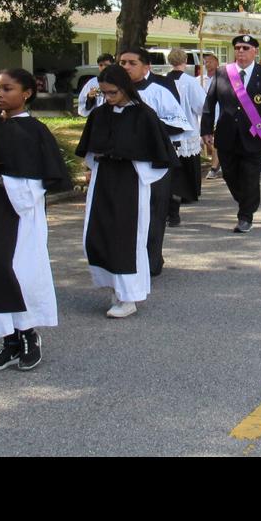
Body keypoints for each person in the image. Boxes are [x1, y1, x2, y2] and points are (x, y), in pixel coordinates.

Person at [0, 69, 70, 371]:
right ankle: (7, 342)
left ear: (27, 93)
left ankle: (28, 336)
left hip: (20, 216)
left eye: (7, 89)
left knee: (19, 271)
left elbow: (36, 185)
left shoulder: (34, 131)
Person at [78, 65, 176, 319]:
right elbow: (90, 149)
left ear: (125, 88)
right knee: (99, 232)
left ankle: (129, 296)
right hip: (103, 178)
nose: (108, 98)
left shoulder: (144, 115)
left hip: (130, 180)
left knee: (126, 236)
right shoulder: (100, 114)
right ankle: (114, 288)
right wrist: (93, 163)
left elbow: (158, 153)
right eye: (105, 93)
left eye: (113, 93)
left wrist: (131, 161)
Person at [201, 34, 261, 233]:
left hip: (255, 135)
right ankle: (249, 201)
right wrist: (206, 129)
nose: (241, 51)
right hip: (226, 135)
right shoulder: (222, 73)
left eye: (245, 48)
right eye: (238, 48)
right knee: (230, 175)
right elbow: (209, 103)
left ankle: (245, 216)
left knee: (250, 176)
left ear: (255, 52)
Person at [118, 48, 189, 269]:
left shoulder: (159, 91)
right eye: (122, 63)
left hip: (155, 160)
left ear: (146, 67)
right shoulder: (113, 94)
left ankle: (151, 259)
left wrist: (147, 127)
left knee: (154, 209)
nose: (126, 67)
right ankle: (126, 258)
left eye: (132, 63)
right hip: (123, 162)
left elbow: (179, 123)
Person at [166, 49, 207, 215]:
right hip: (188, 127)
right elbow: (201, 105)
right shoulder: (190, 82)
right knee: (187, 161)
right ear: (185, 61)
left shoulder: (162, 81)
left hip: (169, 129)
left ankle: (173, 191)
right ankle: (189, 192)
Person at [199, 51, 223, 178]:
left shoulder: (223, 78)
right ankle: (216, 163)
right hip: (205, 115)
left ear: (217, 62)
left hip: (220, 113)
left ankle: (214, 166)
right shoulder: (199, 80)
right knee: (209, 142)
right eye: (205, 62)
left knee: (217, 141)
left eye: (210, 61)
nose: (208, 64)